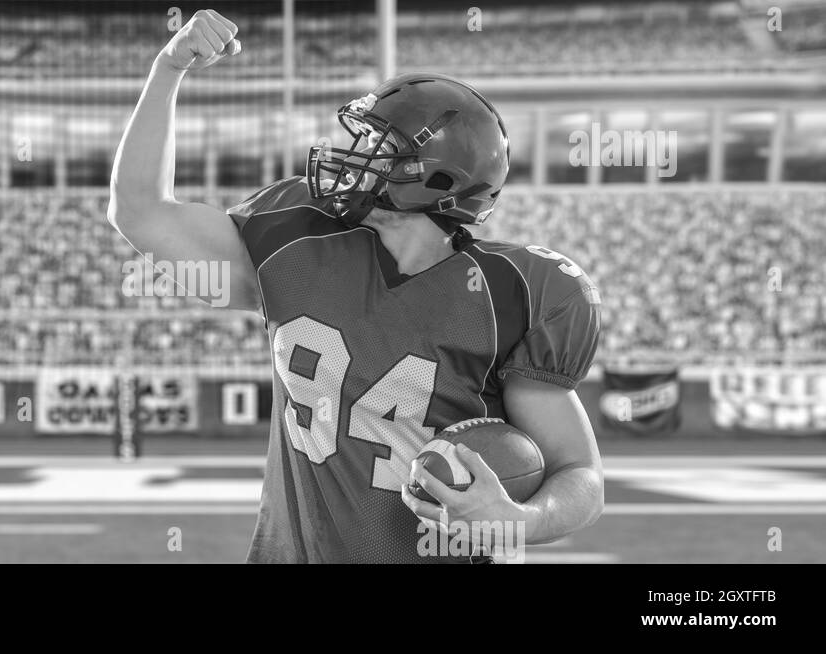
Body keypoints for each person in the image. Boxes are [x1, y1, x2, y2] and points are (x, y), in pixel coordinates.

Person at [108, 10, 605, 563]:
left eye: (378, 144)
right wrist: (168, 68)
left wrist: (520, 520)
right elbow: (140, 211)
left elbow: (578, 473)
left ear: (435, 177)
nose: (354, 156)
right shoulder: (295, 238)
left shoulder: (513, 294)